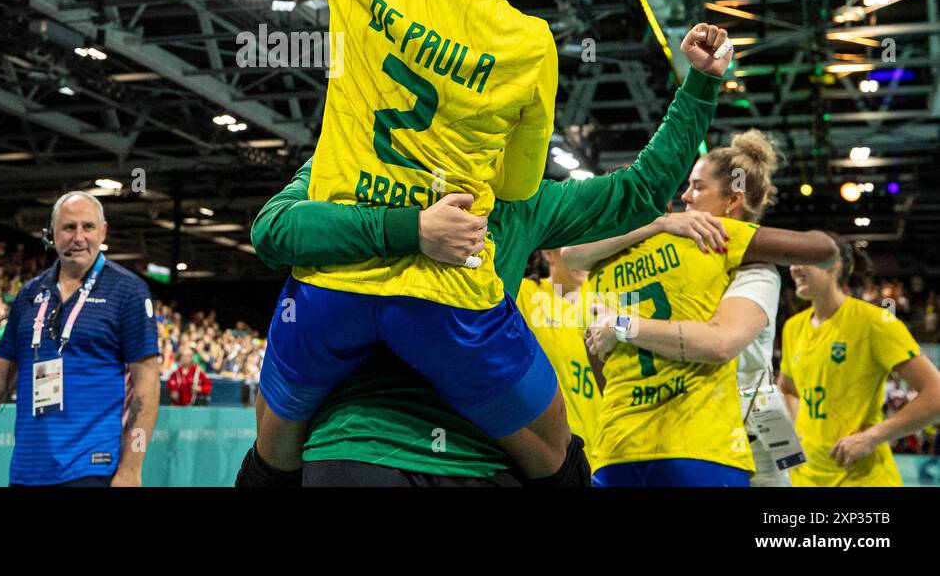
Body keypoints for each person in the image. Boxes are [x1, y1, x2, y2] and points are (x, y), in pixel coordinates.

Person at [241, 0, 580, 486]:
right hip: (444, 302)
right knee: (554, 451)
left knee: (273, 452)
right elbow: (521, 189)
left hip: (335, 285)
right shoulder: (530, 44)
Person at [245, 25, 728, 485]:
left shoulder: (354, 166)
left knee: (267, 463)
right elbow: (640, 192)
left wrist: (700, 85)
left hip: (349, 453)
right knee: (565, 465)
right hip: (479, 457)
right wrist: (700, 86)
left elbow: (273, 231)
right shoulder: (516, 200)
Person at [562, 130, 839, 487]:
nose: (685, 197)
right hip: (701, 434)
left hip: (736, 428)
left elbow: (719, 342)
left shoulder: (746, 260)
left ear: (732, 200)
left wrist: (621, 326)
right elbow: (822, 248)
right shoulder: (683, 246)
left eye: (697, 187)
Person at [0, 191, 160, 487]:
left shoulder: (128, 291)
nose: (78, 237)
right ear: (52, 233)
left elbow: (147, 383)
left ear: (103, 231)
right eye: (68, 227)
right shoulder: (29, 293)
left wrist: (131, 468)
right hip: (28, 469)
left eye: (88, 227)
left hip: (92, 468)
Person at [778, 236, 940, 486]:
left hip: (861, 478)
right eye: (793, 260)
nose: (794, 267)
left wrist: (873, 437)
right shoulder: (792, 327)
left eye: (804, 259)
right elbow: (788, 389)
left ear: (833, 264)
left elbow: (936, 393)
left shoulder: (875, 322)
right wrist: (801, 429)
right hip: (806, 477)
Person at [516, 250, 600, 450]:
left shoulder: (604, 301)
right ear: (550, 254)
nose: (582, 252)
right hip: (556, 448)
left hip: (605, 446)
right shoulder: (527, 294)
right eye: (574, 244)